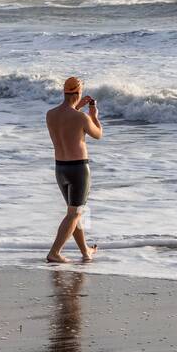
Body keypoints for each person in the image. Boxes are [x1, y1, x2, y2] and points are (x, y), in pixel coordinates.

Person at [45, 76, 102, 263]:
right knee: (75, 213)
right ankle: (55, 252)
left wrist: (78, 108)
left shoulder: (51, 114)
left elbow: (66, 120)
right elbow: (98, 134)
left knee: (74, 212)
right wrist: (94, 115)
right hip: (78, 169)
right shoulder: (82, 118)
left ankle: (85, 251)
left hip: (60, 168)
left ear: (64, 92)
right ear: (78, 93)